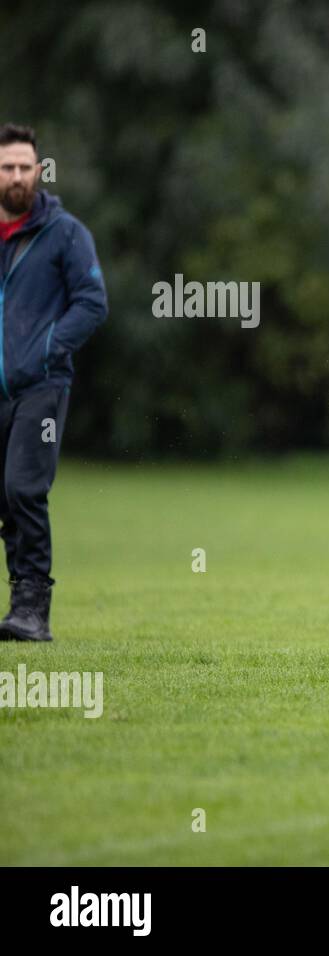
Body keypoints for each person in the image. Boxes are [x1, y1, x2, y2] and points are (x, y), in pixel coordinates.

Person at [0, 123, 109, 641]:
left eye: (24, 166)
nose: (17, 176)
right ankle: (19, 601)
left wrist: (46, 348)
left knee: (23, 487)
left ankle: (31, 610)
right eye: (7, 167)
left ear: (39, 171)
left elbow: (92, 302)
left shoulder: (64, 233)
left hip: (42, 385)